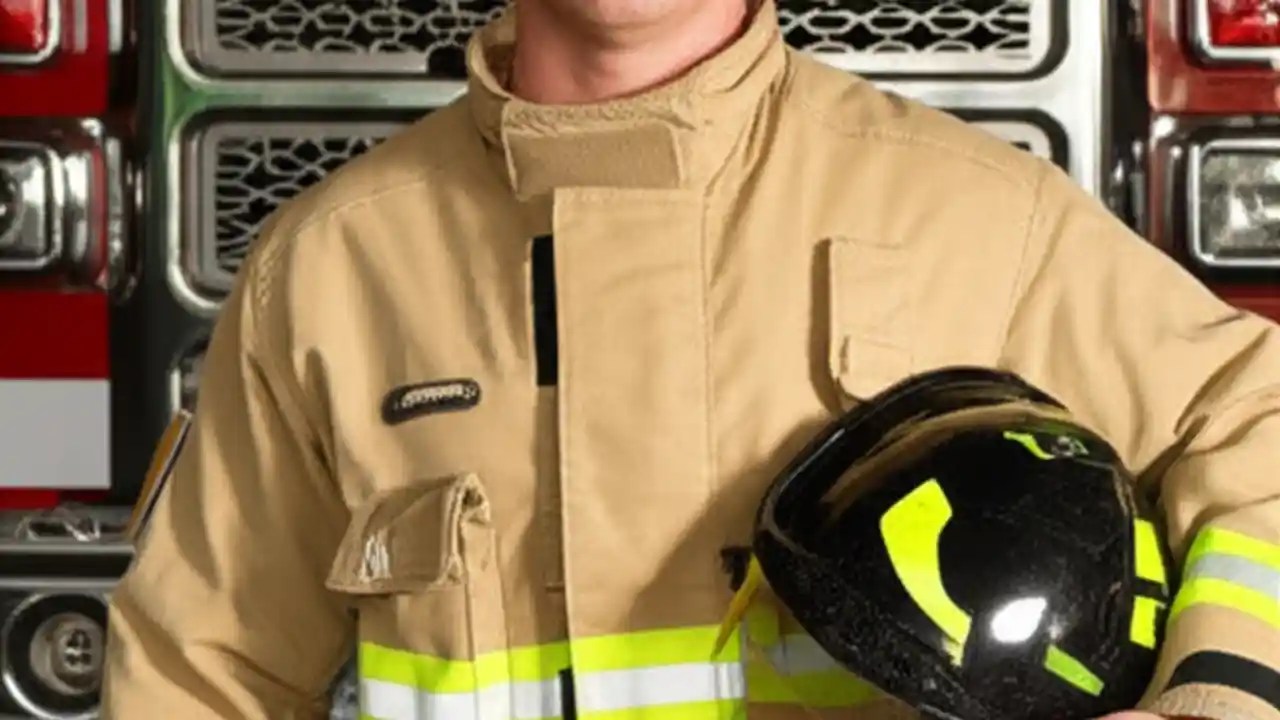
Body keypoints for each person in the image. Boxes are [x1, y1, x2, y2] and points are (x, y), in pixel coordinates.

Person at [100, 0, 1280, 718]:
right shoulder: (328, 272)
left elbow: (1256, 422)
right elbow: (199, 681)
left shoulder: (978, 217)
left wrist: (1217, 698)